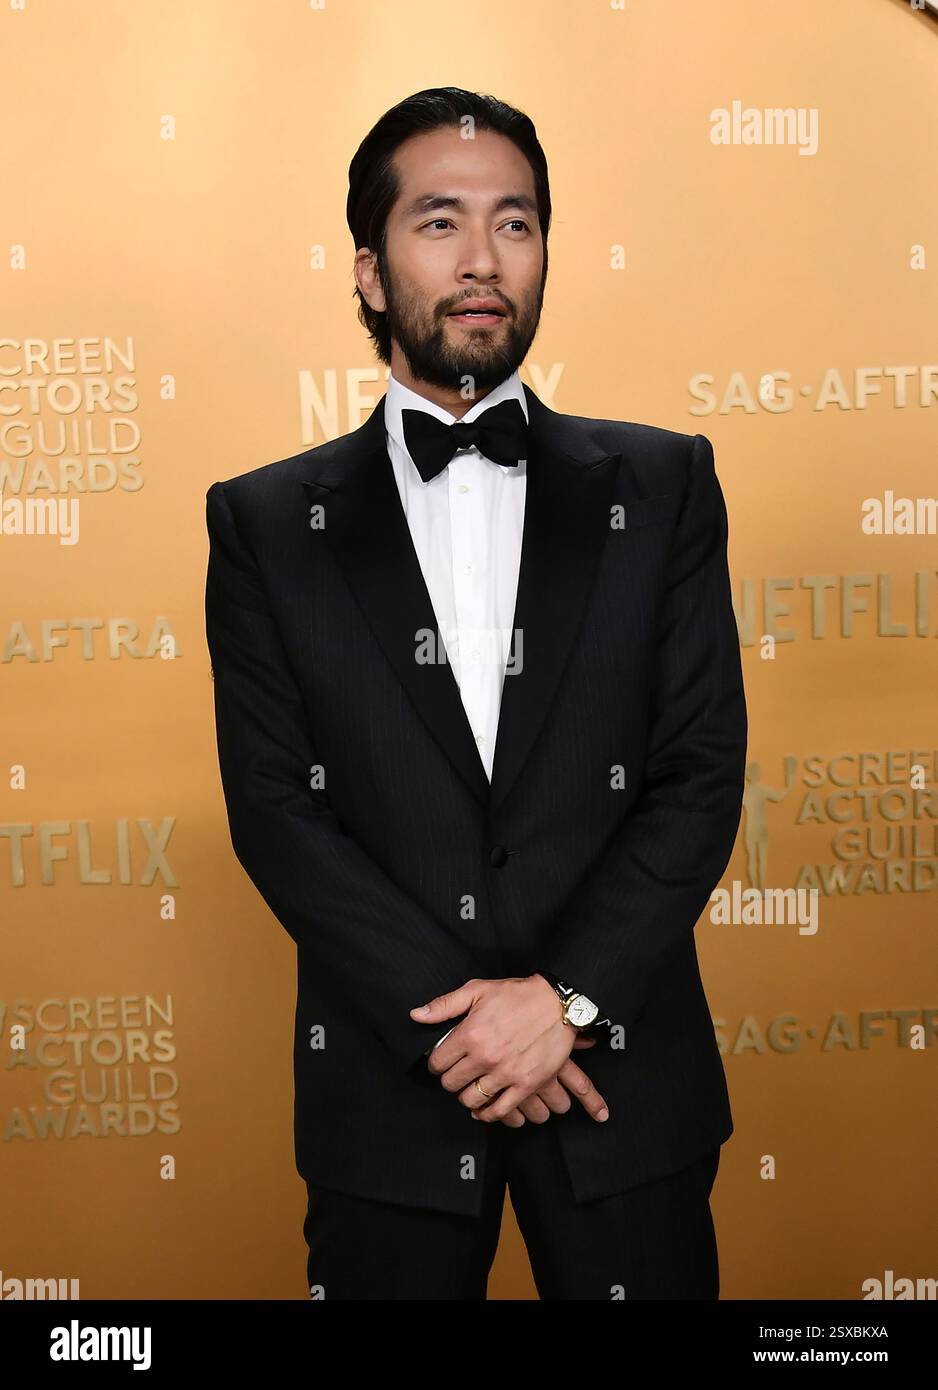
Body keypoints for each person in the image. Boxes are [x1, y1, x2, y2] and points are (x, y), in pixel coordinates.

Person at [204, 86, 748, 1300]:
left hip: (622, 1087)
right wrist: (472, 1029)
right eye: (438, 222)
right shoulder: (263, 523)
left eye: (516, 222)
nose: (482, 259)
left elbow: (696, 773)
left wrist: (565, 1000)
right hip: (389, 1100)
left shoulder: (661, 485)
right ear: (366, 266)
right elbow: (278, 817)